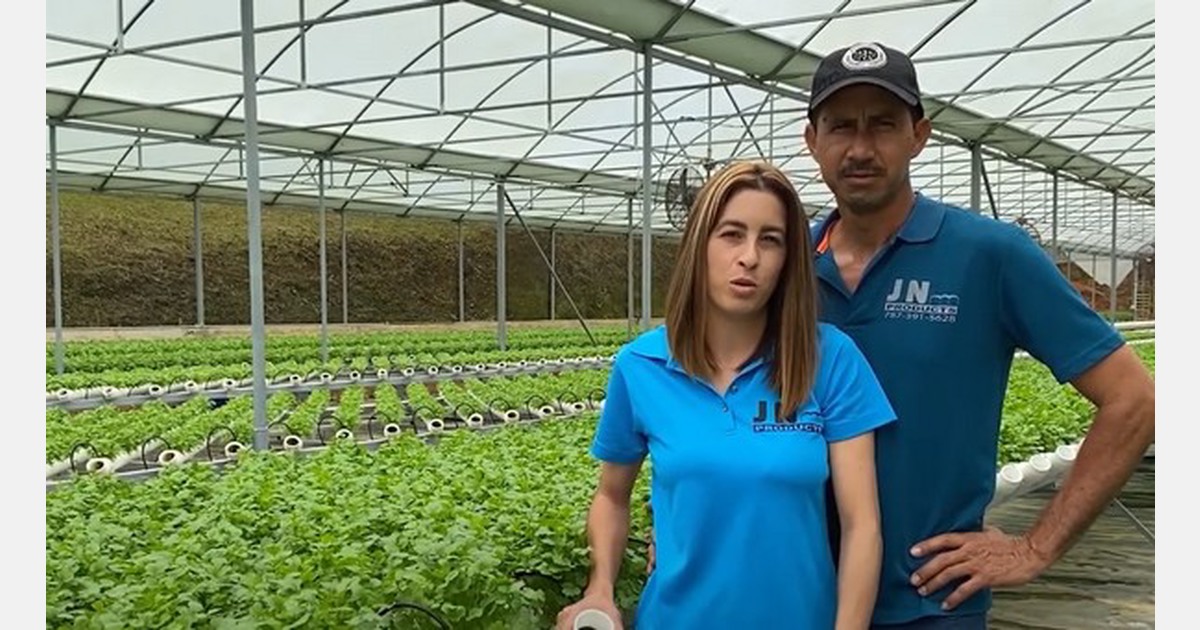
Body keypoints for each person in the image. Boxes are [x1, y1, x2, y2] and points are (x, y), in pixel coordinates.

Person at [646, 41, 1154, 630]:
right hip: (783, 601)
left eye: (883, 125)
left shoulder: (990, 257)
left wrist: (1035, 547)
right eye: (841, 126)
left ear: (919, 135)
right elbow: (705, 396)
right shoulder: (779, 268)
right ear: (812, 141)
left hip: (930, 607)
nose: (860, 148)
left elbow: (1133, 399)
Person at [556, 161, 898, 630]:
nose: (750, 257)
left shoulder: (831, 360)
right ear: (700, 246)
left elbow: (863, 527)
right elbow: (612, 497)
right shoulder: (641, 367)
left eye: (770, 239)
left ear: (788, 259)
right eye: (731, 234)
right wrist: (600, 587)